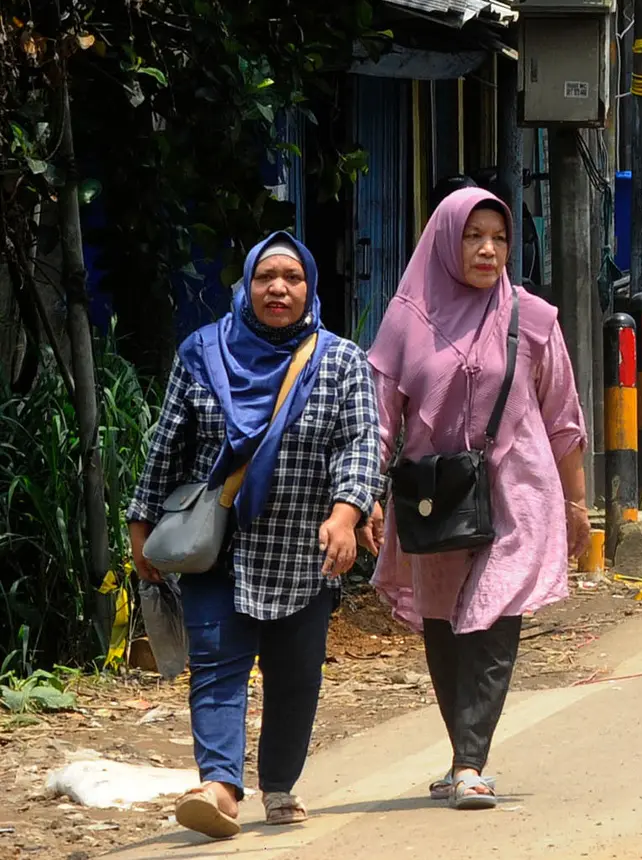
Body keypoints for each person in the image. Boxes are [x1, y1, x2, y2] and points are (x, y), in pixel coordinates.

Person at [128, 234, 379, 837]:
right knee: (216, 664)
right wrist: (140, 525)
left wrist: (346, 514)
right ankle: (219, 786)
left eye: (293, 278)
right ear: (246, 284)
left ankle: (281, 782)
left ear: (310, 288)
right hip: (218, 545)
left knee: (296, 674)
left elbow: (361, 443)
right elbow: (167, 445)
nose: (279, 289)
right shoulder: (201, 354)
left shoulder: (340, 360)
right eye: (266, 276)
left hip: (305, 549)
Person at [365, 189, 588, 810]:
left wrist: (576, 505)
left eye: (498, 237)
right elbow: (381, 420)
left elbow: (564, 419)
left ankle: (470, 762)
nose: (488, 249)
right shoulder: (406, 322)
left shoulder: (533, 320)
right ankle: (462, 750)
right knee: (442, 620)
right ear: (445, 240)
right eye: (472, 236)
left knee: (492, 615)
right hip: (434, 494)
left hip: (518, 492)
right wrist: (364, 496)